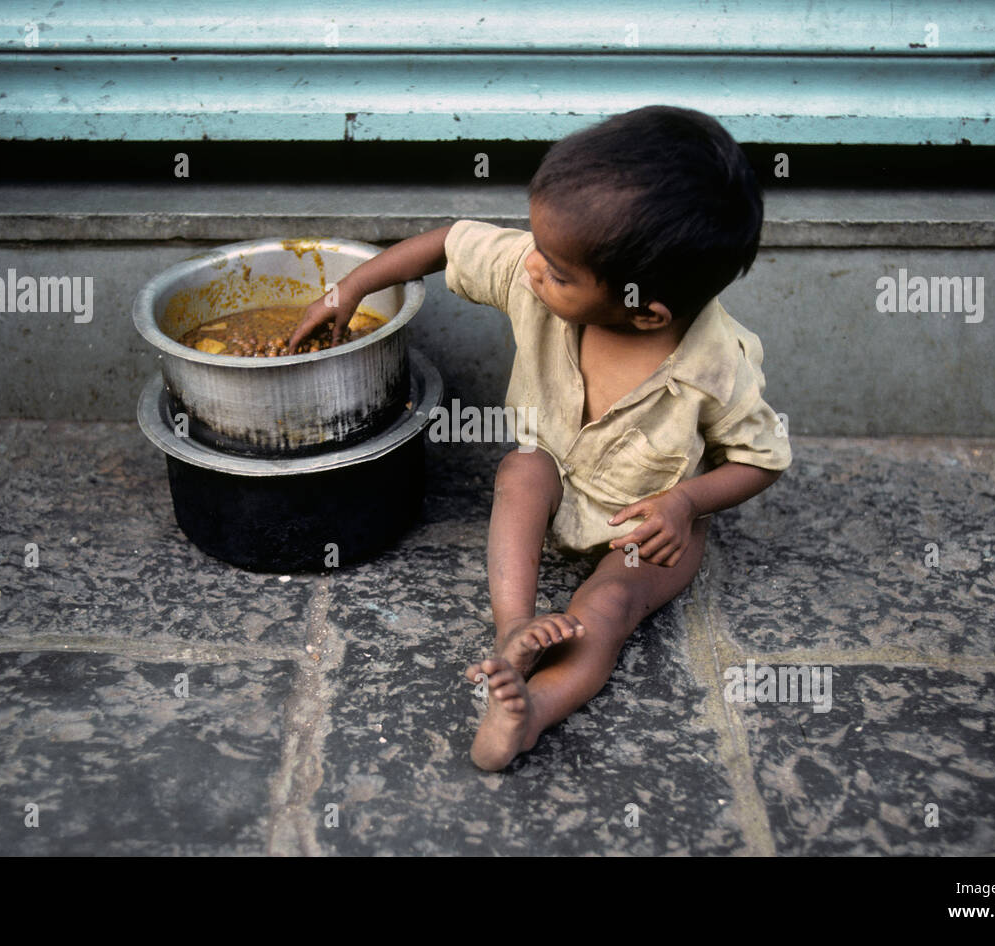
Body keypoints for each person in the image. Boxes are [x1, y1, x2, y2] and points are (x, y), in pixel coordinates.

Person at [288, 105, 791, 770]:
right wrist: (349, 287)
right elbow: (448, 243)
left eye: (555, 270)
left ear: (646, 313)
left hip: (647, 528)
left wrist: (686, 504)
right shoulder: (543, 270)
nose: (531, 268)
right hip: (557, 471)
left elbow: (761, 460)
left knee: (608, 608)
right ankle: (513, 633)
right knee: (524, 467)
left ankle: (530, 716)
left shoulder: (719, 366)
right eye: (537, 247)